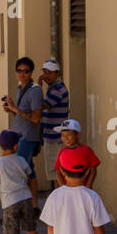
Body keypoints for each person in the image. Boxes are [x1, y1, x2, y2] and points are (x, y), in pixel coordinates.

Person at [3, 57, 43, 179]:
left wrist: (15, 109)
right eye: (19, 70)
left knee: (21, 172)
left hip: (27, 137)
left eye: (25, 71)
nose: (22, 74)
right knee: (28, 171)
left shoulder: (35, 90)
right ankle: (33, 198)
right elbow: (22, 114)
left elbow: (36, 118)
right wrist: (11, 110)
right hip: (18, 135)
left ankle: (25, 198)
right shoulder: (20, 88)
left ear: (31, 72)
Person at [39, 59, 69, 188]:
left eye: (50, 72)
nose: (47, 75)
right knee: (56, 173)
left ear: (57, 73)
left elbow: (42, 105)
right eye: (45, 72)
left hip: (55, 139)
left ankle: (59, 202)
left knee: (56, 174)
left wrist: (38, 88)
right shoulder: (52, 88)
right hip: (52, 137)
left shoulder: (58, 89)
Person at [52, 119, 100, 187]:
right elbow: (58, 172)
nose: (65, 138)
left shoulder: (87, 150)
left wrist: (88, 187)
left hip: (83, 190)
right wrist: (63, 188)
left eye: (69, 134)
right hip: (68, 189)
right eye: (62, 135)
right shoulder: (62, 152)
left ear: (78, 135)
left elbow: (93, 170)